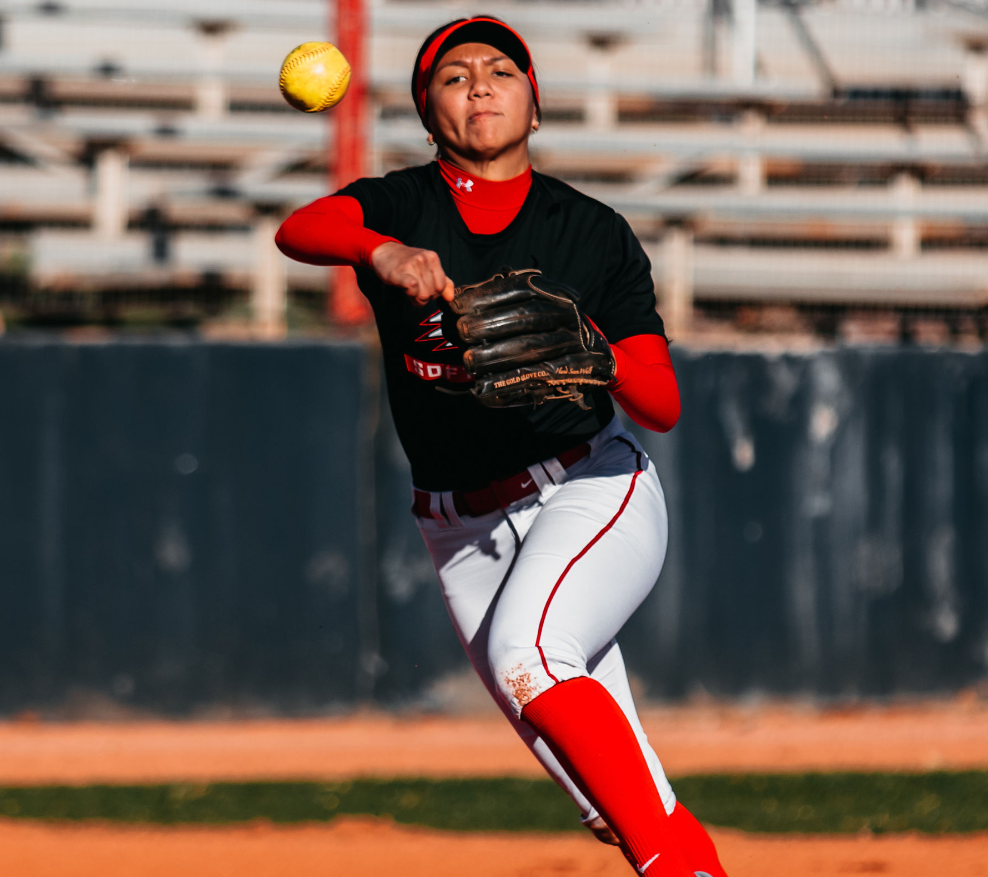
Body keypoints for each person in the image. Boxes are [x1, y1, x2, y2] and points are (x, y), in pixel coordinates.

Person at [276, 17, 727, 877]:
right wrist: (381, 250)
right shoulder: (403, 203)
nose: (478, 84)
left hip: (586, 490)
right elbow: (299, 229)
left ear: (533, 100)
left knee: (530, 657)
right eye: (452, 75)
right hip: (457, 532)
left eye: (498, 69)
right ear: (426, 109)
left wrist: (591, 349)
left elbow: (660, 405)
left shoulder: (590, 233)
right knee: (617, 802)